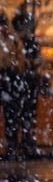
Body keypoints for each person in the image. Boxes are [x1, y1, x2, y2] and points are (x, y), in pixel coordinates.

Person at [12, 1, 39, 158]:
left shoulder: (21, 42)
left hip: (22, 82)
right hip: (24, 81)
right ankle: (25, 144)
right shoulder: (24, 43)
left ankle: (20, 144)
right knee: (24, 114)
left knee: (19, 115)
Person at [0, 12, 27, 159]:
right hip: (7, 78)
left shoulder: (14, 39)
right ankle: (11, 146)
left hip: (10, 79)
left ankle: (11, 146)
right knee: (11, 114)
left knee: (12, 115)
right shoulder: (13, 39)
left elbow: (20, 58)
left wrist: (13, 66)